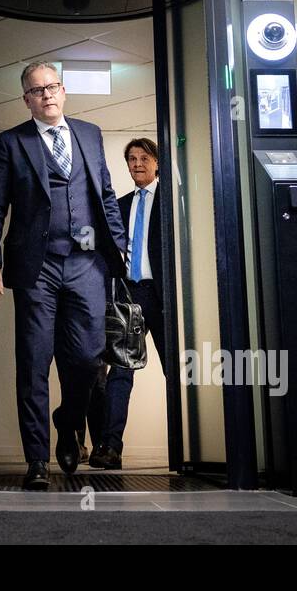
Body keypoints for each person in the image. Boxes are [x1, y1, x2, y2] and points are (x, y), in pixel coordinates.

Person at [0, 62, 127, 490]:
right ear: (26, 99)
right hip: (37, 268)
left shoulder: (89, 134)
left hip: (87, 264)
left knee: (87, 359)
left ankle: (67, 422)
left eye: (53, 87)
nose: (46, 94)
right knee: (33, 362)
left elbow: (105, 194)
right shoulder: (10, 143)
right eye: (37, 90)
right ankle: (36, 460)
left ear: (63, 91)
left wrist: (120, 246)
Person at [90, 138, 167, 470]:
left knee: (176, 371)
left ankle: (192, 447)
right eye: (132, 159)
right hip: (128, 297)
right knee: (120, 372)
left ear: (157, 163)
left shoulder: (171, 202)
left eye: (144, 158)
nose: (137, 164)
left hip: (164, 297)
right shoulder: (120, 206)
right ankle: (110, 447)